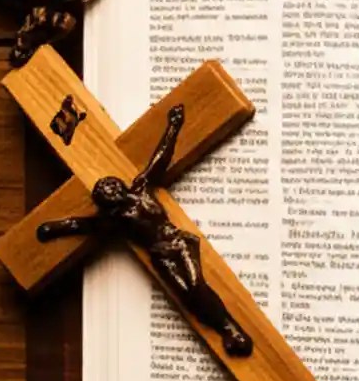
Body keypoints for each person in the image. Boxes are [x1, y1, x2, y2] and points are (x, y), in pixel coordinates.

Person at [36, 104, 253, 356]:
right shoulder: (115, 220)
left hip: (179, 243)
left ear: (119, 184)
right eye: (104, 192)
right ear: (104, 203)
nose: (108, 189)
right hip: (161, 257)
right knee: (187, 297)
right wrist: (52, 228)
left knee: (197, 286)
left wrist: (174, 125)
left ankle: (231, 328)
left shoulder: (142, 188)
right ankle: (223, 330)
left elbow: (161, 157)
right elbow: (80, 224)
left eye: (110, 185)